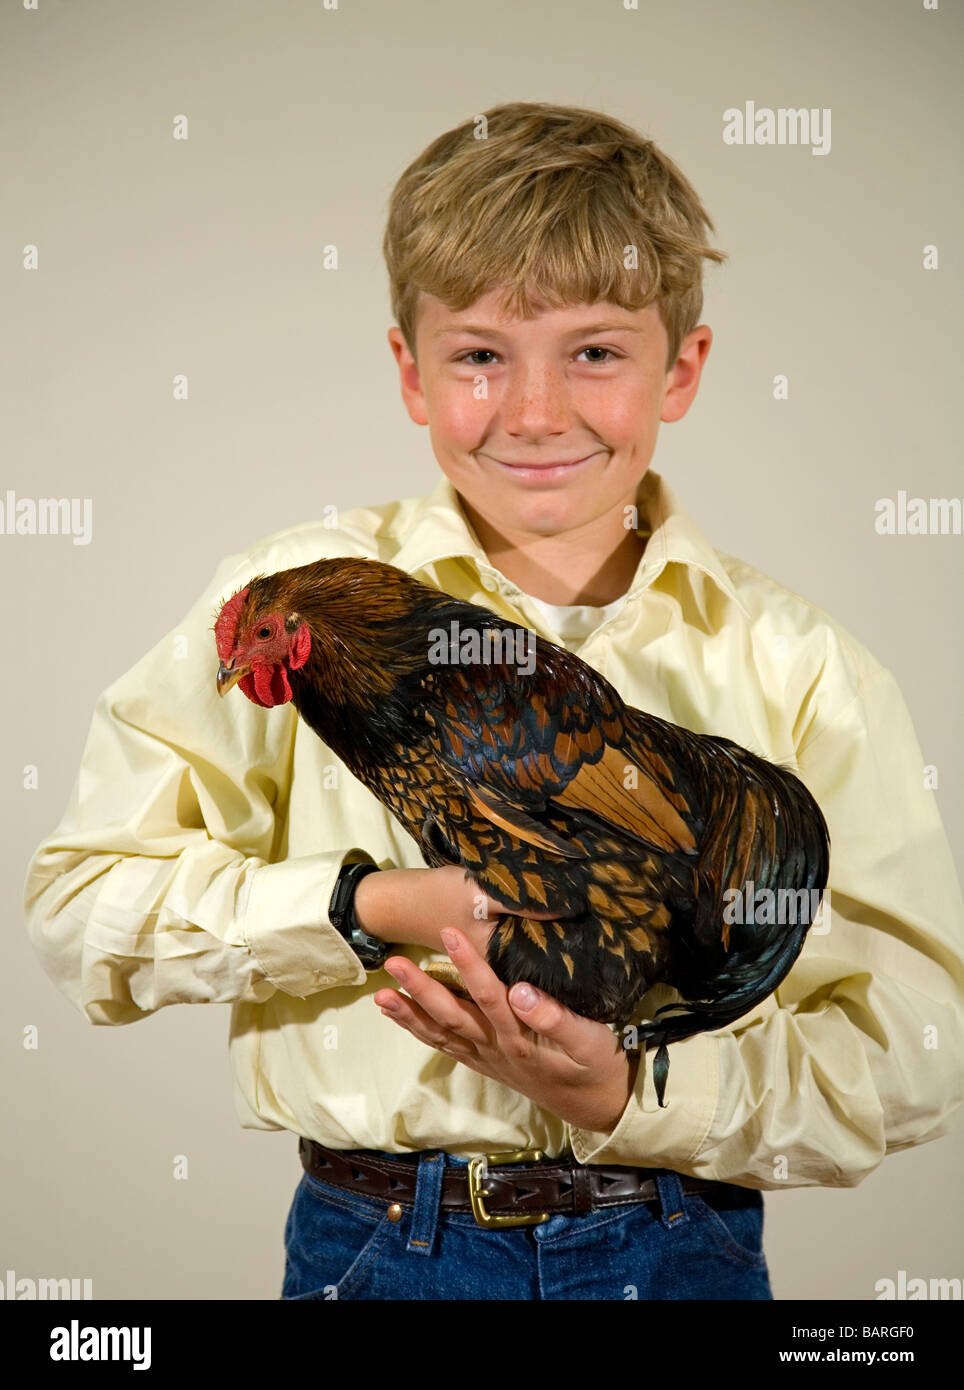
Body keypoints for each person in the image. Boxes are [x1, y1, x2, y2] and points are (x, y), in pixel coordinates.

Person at [22, 101, 964, 1302]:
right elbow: (80, 904)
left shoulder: (798, 664)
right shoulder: (293, 599)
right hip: (380, 1236)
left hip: (674, 1238)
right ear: (409, 372)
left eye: (595, 351)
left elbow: (918, 1048)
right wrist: (369, 904)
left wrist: (623, 1096)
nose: (532, 411)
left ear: (681, 368)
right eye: (478, 354)